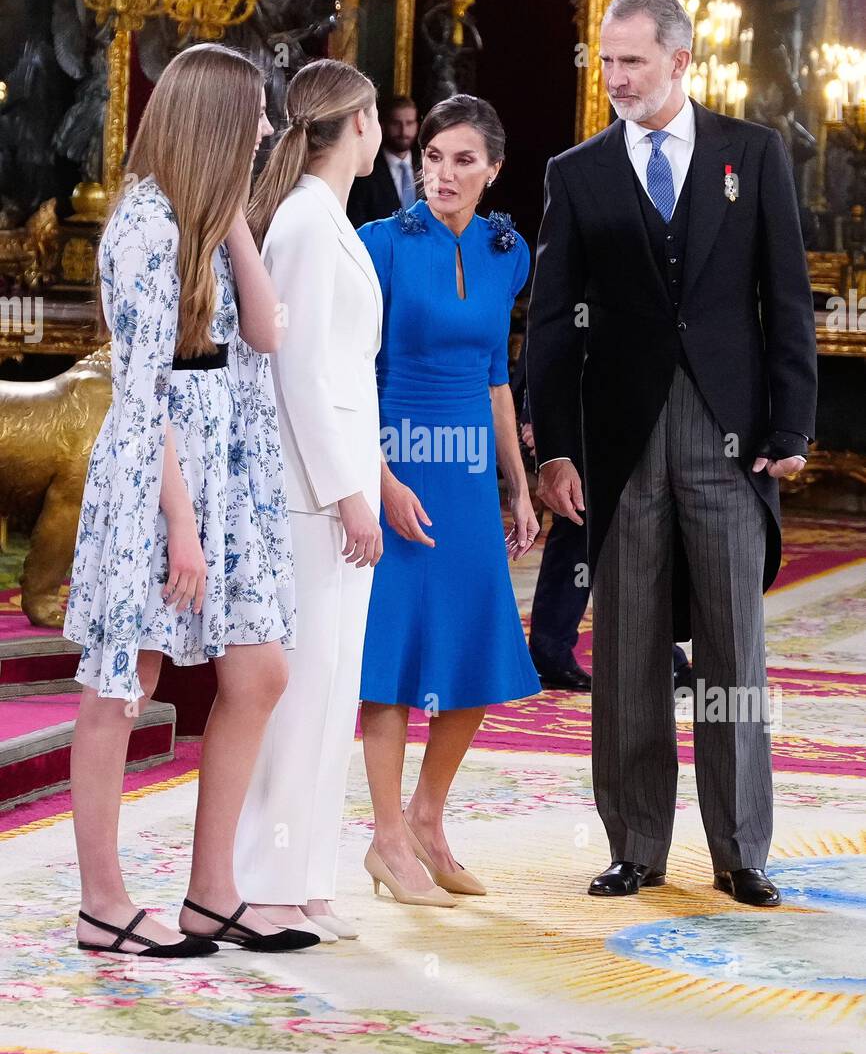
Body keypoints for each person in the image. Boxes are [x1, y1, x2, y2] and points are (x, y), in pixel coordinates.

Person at [526, 0, 817, 907]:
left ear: (681, 62)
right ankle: (635, 846)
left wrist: (791, 427)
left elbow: (788, 299)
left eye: (632, 62)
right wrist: (556, 450)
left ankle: (742, 853)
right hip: (619, 448)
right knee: (628, 654)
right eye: (606, 63)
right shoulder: (577, 173)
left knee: (735, 652)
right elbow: (550, 327)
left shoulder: (752, 153)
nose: (614, 80)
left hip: (730, 443)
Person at [63, 44, 320, 957]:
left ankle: (214, 894)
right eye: (251, 114)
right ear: (214, 119)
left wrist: (234, 218)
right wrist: (179, 520)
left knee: (260, 672)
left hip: (229, 474)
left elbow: (263, 330)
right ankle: (103, 903)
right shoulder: (141, 229)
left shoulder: (204, 220)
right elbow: (141, 392)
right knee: (123, 687)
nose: (263, 129)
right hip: (155, 476)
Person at [358, 94, 541, 907]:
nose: (443, 172)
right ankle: (386, 840)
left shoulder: (510, 251)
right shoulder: (380, 246)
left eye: (464, 159)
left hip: (469, 474)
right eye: (433, 156)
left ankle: (428, 820)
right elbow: (350, 376)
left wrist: (519, 486)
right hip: (396, 458)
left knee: (475, 650)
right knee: (396, 658)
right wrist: (381, 478)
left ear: (493, 169)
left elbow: (499, 376)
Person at [233, 60, 384, 941]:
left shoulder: (326, 218)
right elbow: (298, 373)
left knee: (335, 689)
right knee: (303, 691)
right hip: (307, 499)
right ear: (357, 123)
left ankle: (308, 878)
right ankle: (265, 883)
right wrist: (345, 493)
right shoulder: (300, 221)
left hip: (333, 492)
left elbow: (343, 376)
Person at [513, 338, 692, 692]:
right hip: (582, 415)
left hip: (640, 408)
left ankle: (658, 655)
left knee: (635, 533)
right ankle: (551, 653)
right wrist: (536, 414)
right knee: (580, 531)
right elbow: (552, 328)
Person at [347, 95, 420, 228]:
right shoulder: (365, 170)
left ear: (417, 125)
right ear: (383, 125)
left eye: (409, 123)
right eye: (396, 123)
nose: (403, 131)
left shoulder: (427, 165)